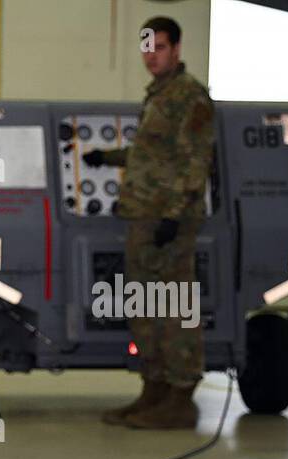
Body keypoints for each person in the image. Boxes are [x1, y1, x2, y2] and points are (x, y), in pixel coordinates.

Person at [85, 16, 216, 429]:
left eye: (158, 48)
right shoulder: (157, 96)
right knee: (145, 305)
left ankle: (180, 397)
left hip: (168, 220)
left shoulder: (189, 97)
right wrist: (106, 158)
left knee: (175, 306)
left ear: (176, 50)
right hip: (143, 217)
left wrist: (175, 217)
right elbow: (151, 156)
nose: (150, 56)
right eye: (145, 48)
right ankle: (154, 389)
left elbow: (196, 161)